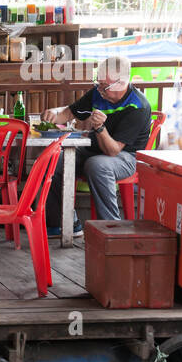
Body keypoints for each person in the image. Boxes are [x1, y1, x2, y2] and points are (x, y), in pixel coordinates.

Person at [42, 56, 151, 233]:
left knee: (98, 165)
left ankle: (111, 229)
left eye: (104, 85)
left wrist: (100, 127)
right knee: (55, 160)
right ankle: (62, 223)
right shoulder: (97, 93)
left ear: (122, 82)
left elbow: (113, 150)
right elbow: (69, 112)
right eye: (97, 83)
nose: (99, 89)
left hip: (126, 158)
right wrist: (53, 114)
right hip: (94, 150)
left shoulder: (138, 106)